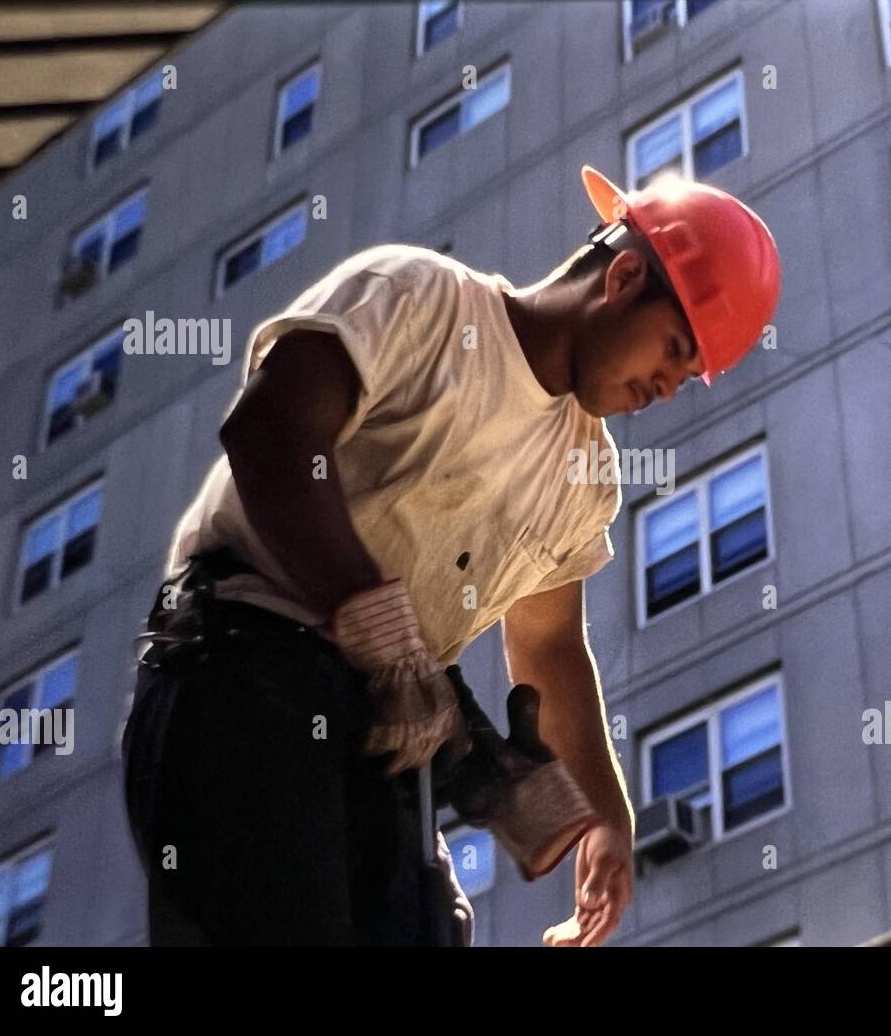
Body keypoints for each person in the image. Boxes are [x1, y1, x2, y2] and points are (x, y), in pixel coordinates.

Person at [120, 164, 782, 947]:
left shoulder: (585, 474)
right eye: (676, 349)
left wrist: (608, 819)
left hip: (384, 733)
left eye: (689, 374)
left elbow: (549, 646)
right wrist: (379, 626)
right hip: (241, 676)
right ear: (626, 275)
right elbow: (271, 433)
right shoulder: (420, 298)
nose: (669, 386)